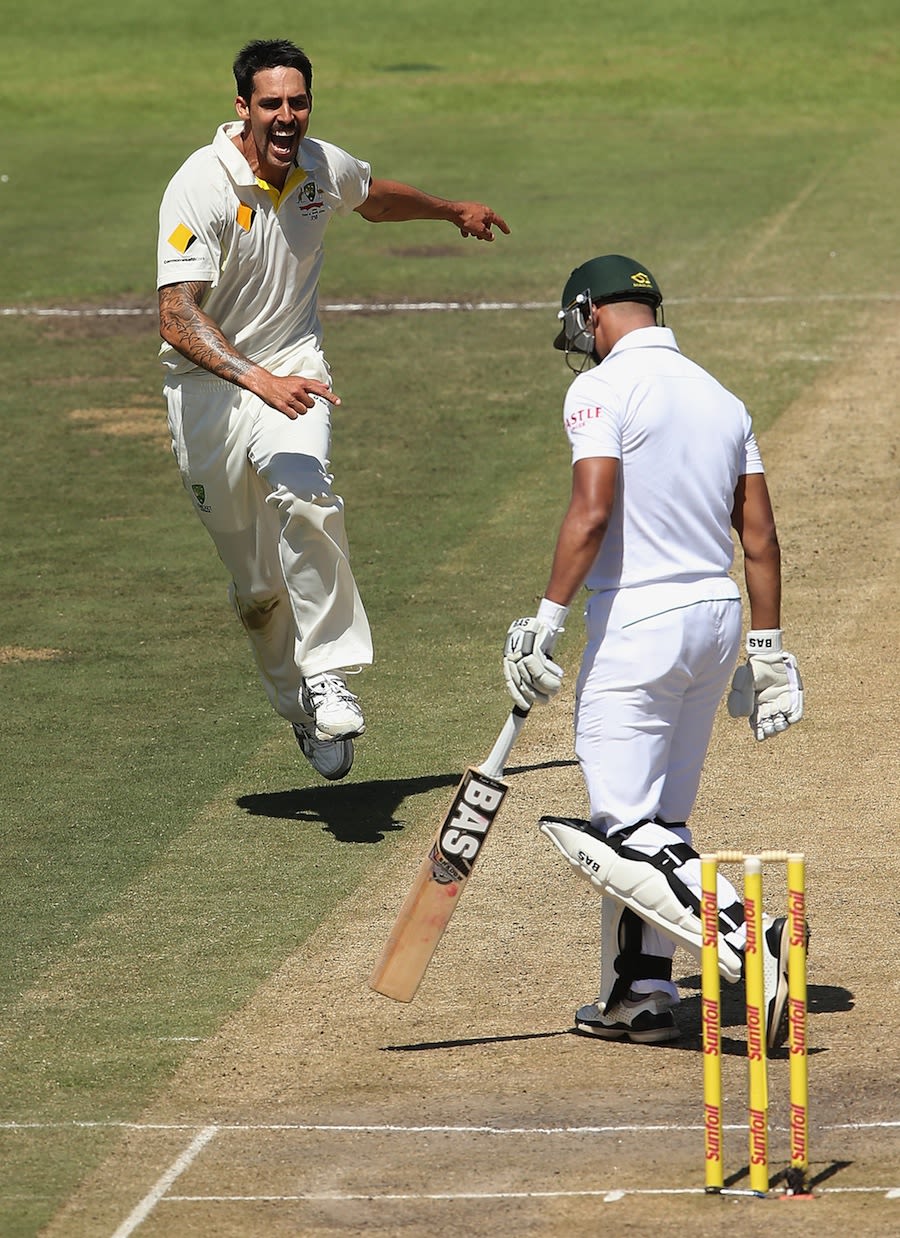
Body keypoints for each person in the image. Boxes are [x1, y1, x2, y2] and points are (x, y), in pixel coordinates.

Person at [157, 38, 509, 781]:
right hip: (209, 394)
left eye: (298, 101)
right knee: (256, 593)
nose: (287, 117)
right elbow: (177, 319)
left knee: (306, 493)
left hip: (293, 371)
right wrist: (253, 379)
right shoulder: (200, 185)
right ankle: (297, 707)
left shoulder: (319, 165)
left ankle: (328, 673)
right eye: (271, 103)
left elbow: (372, 197)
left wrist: (452, 211)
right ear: (242, 108)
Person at [502, 254, 804, 1046]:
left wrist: (545, 619)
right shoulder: (721, 396)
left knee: (622, 827)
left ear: (589, 316)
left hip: (639, 623)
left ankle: (749, 938)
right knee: (659, 821)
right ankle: (642, 993)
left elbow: (592, 510)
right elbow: (761, 536)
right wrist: (767, 649)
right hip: (716, 617)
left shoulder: (599, 389)